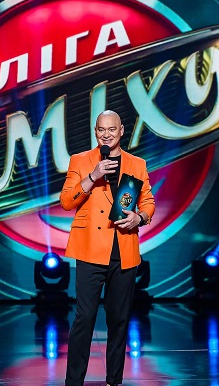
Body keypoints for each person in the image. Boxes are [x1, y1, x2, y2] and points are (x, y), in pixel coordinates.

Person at [60, 110, 155, 386]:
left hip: (123, 250)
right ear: (95, 131)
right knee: (85, 317)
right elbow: (66, 201)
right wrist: (92, 176)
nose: (106, 134)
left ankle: (114, 380)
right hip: (90, 250)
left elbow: (148, 202)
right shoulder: (81, 160)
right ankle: (73, 381)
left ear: (121, 131)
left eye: (112, 129)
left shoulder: (137, 164)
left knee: (119, 319)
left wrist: (140, 218)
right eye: (101, 129)